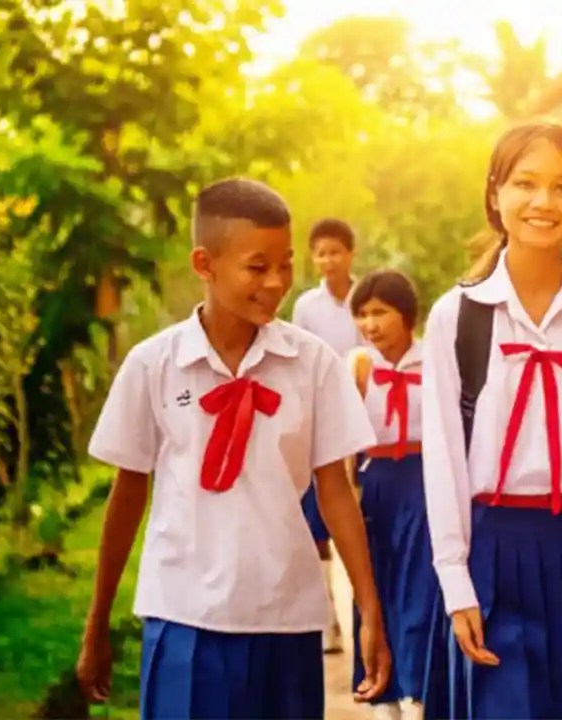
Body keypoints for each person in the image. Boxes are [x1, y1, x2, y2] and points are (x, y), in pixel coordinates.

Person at [75, 178, 391, 719]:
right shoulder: (154, 366)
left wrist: (369, 609)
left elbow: (334, 488)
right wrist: (97, 622)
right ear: (206, 263)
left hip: (284, 622)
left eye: (286, 264)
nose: (276, 282)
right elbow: (128, 494)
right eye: (257, 266)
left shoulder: (312, 365)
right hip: (184, 620)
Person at [420, 119, 562, 718]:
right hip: (494, 546)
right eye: (525, 183)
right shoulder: (458, 317)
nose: (543, 202)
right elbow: (442, 459)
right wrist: (455, 582)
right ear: (495, 194)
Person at [345, 269, 447, 720]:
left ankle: (419, 695)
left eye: (380, 312)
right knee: (376, 589)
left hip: (427, 484)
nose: (370, 324)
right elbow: (345, 447)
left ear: (406, 316)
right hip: (378, 486)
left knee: (423, 591)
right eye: (362, 315)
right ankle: (381, 697)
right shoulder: (358, 367)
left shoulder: (438, 362)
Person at [292, 217, 364, 653]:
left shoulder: (368, 298)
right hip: (319, 415)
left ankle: (372, 614)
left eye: (335, 251)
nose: (328, 260)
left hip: (367, 414)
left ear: (350, 254)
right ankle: (328, 620)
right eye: (320, 252)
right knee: (316, 521)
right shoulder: (306, 307)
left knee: (362, 514)